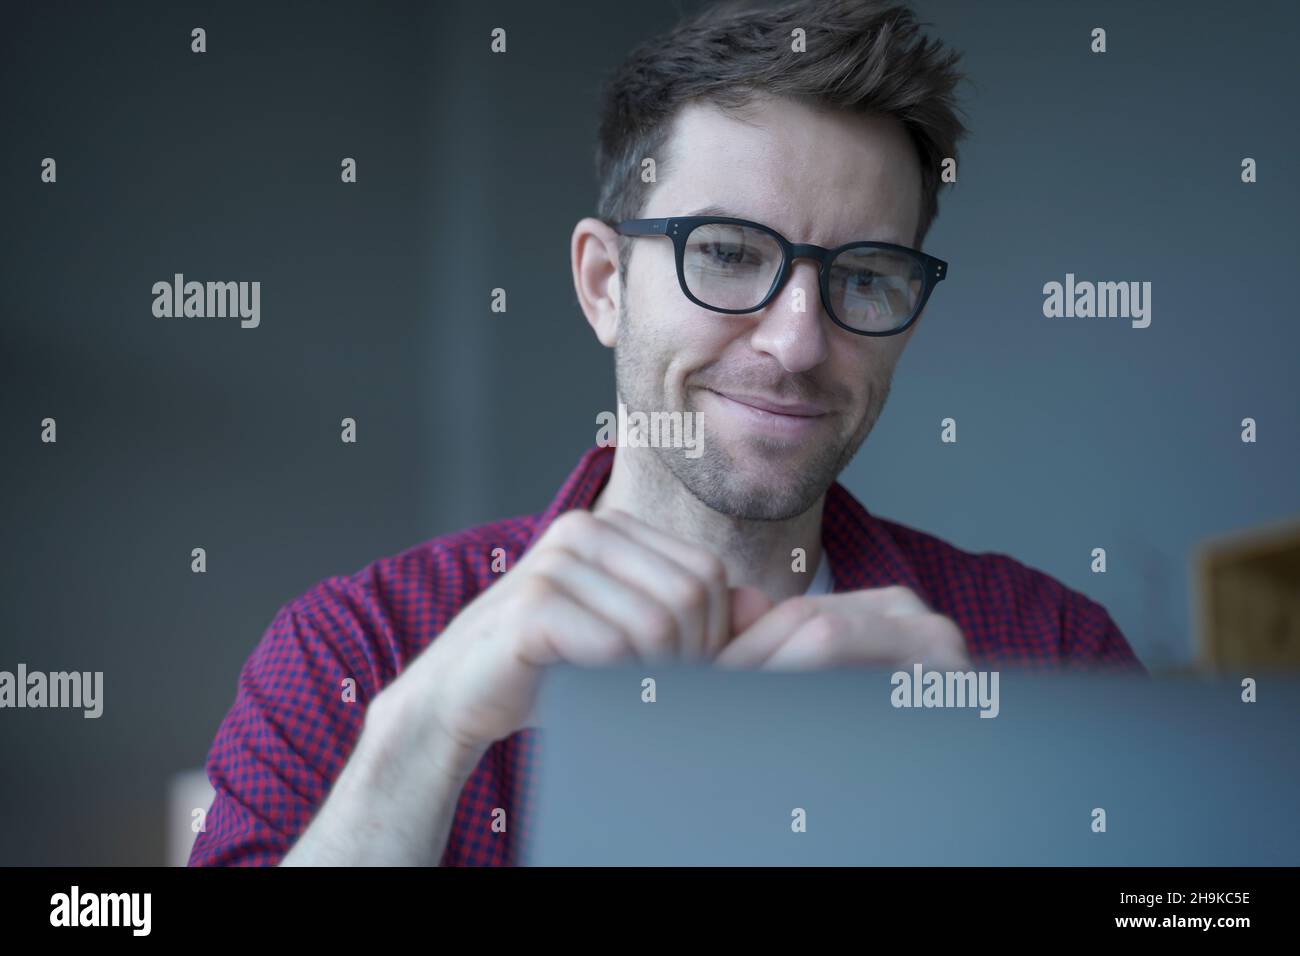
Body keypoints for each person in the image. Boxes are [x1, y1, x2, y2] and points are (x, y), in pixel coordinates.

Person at [189, 0, 1141, 868]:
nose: (798, 341)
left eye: (864, 276)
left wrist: (1004, 810)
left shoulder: (1054, 655)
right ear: (605, 284)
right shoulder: (351, 656)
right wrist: (423, 738)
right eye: (727, 254)